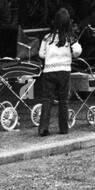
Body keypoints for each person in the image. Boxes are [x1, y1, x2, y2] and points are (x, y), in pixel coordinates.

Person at [37, 8, 81, 136]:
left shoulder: (47, 37)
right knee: (63, 100)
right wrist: (71, 54)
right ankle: (63, 128)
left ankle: (43, 128)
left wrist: (51, 57)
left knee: (47, 99)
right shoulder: (70, 37)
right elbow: (77, 51)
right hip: (64, 71)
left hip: (49, 70)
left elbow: (41, 53)